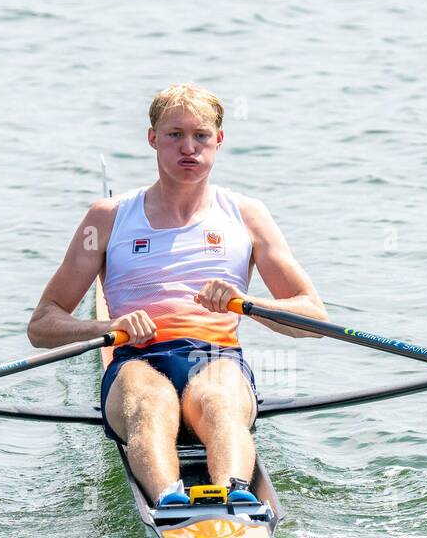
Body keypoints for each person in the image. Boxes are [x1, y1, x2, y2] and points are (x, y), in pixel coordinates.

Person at [27, 83, 327, 507]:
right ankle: (168, 500)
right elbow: (42, 324)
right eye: (174, 135)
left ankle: (237, 501)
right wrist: (106, 326)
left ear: (218, 141)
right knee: (150, 402)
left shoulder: (246, 215)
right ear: (153, 139)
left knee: (220, 401)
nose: (189, 148)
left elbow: (314, 317)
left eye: (201, 136)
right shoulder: (108, 218)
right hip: (135, 358)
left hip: (218, 357)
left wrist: (249, 305)